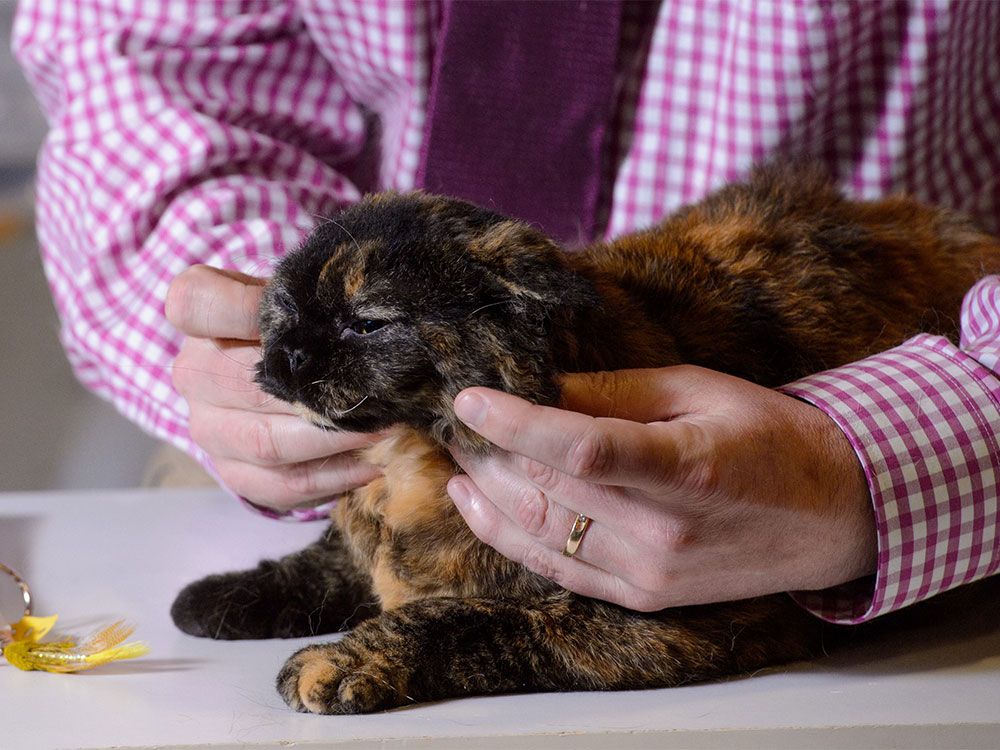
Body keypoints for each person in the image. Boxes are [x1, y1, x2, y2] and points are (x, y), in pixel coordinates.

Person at [14, 1, 999, 625]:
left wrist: (911, 459)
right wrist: (257, 336)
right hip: (316, 469)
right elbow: (142, 58)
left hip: (878, 450)